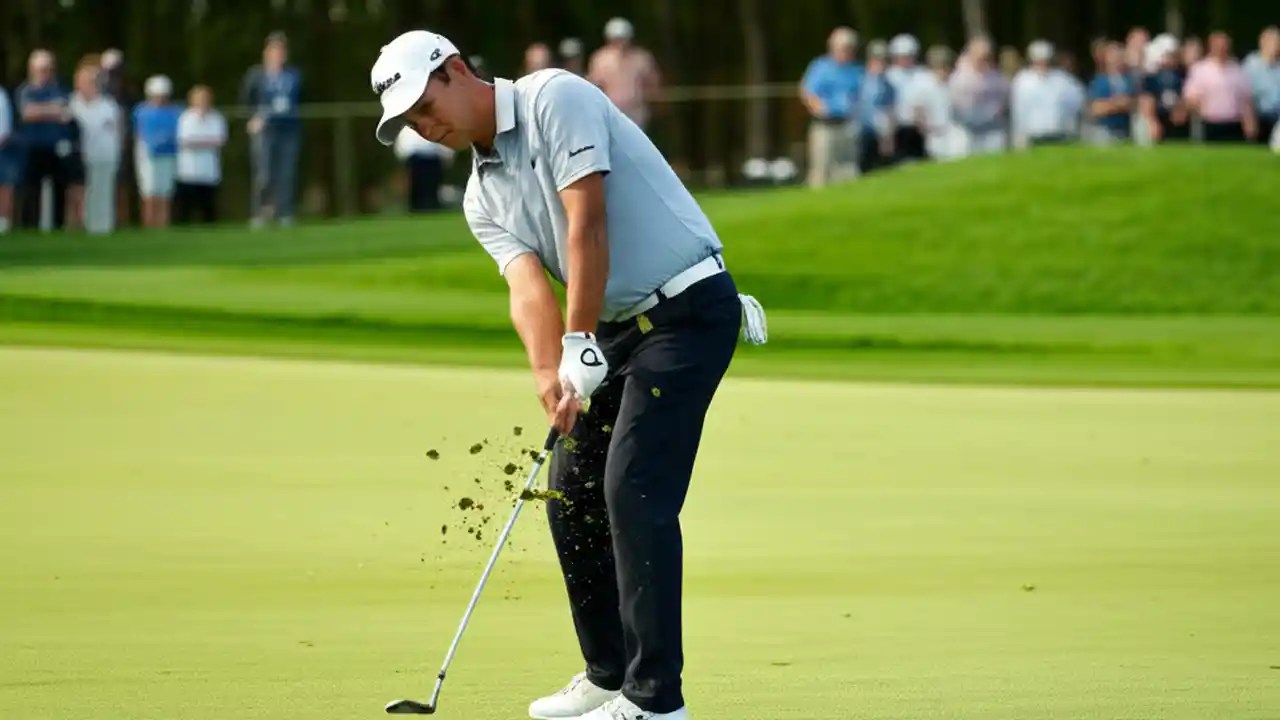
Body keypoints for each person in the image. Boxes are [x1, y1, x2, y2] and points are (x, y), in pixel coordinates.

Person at [369, 29, 767, 720]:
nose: (422, 126)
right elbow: (527, 290)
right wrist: (550, 372)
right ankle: (608, 674)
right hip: (613, 330)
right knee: (572, 490)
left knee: (632, 487)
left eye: (423, 106)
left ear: (457, 69)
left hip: (688, 311)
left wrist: (580, 337)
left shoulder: (556, 97)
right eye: (408, 122)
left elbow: (588, 221)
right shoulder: (479, 197)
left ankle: (655, 702)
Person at [242, 31, 303, 227]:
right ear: (266, 52)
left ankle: (284, 213)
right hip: (265, 130)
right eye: (275, 49)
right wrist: (253, 118)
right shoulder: (256, 75)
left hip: (288, 129)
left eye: (282, 50)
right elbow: (246, 101)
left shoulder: (293, 75)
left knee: (286, 172)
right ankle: (259, 213)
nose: (279, 53)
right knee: (264, 173)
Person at [16, 49, 73, 231]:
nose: (45, 73)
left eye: (48, 69)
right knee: (32, 190)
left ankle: (58, 226)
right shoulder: (26, 90)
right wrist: (53, 110)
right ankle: (29, 226)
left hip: (56, 147)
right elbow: (27, 113)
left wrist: (42, 111)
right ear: (32, 69)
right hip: (33, 147)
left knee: (59, 189)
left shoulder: (59, 89)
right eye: (41, 69)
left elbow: (65, 112)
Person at [800, 27, 864, 187]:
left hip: (847, 125)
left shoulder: (856, 70)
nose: (847, 52)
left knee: (848, 170)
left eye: (850, 48)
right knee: (821, 170)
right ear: (832, 48)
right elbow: (808, 92)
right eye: (843, 48)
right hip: (825, 126)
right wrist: (819, 108)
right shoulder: (821, 67)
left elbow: (860, 95)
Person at [69, 64, 123, 235]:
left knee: (103, 192)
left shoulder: (108, 105)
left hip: (104, 155)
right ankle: (83, 225)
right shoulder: (72, 103)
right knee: (83, 194)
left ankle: (102, 228)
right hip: (79, 156)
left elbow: (116, 132)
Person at [587, 17, 662, 130]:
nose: (620, 42)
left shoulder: (642, 58)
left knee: (636, 143)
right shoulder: (600, 59)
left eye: (623, 38)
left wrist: (649, 101)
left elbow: (653, 84)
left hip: (636, 111)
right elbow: (594, 85)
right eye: (616, 38)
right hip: (610, 111)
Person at [1184, 32, 1257, 143]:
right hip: (1209, 124)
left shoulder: (1237, 70)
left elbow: (1246, 99)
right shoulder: (1200, 69)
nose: (1221, 49)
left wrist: (1250, 122)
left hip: (1234, 123)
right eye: (1218, 45)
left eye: (1224, 45)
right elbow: (1190, 97)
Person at [132, 75, 182, 228]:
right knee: (149, 191)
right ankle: (149, 224)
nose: (160, 98)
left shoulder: (175, 112)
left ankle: (163, 224)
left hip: (170, 153)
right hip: (148, 154)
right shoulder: (141, 111)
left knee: (165, 191)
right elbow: (138, 133)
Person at [1010, 41, 1081, 148]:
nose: (1042, 63)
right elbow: (1018, 110)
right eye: (1038, 60)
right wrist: (1019, 135)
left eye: (1045, 60)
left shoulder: (1062, 79)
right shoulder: (1023, 80)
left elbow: (1076, 102)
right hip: (1034, 135)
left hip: (1059, 133)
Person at [175, 85, 228, 225]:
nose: (203, 102)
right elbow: (184, 141)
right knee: (185, 206)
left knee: (208, 205)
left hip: (209, 168)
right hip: (189, 169)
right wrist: (206, 142)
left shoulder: (217, 118)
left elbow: (220, 140)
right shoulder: (186, 118)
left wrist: (199, 142)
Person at [903, 45, 967, 161]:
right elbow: (917, 109)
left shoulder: (952, 81)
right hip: (933, 133)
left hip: (952, 129)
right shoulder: (922, 82)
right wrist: (923, 128)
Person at [949, 37, 1009, 154]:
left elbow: (1004, 97)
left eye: (986, 56)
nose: (983, 60)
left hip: (992, 127)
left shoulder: (995, 76)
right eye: (980, 56)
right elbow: (956, 104)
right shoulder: (960, 76)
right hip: (966, 128)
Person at [856, 40, 896, 173]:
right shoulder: (860, 79)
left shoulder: (889, 85)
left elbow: (890, 109)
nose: (881, 63)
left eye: (884, 60)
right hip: (862, 132)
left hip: (881, 134)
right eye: (878, 59)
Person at [1140, 39, 1190, 143]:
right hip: (1160, 116)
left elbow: (1186, 94)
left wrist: (1182, 109)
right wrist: (1152, 121)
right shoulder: (1152, 76)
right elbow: (1147, 99)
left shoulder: (1182, 74)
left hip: (1179, 118)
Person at [393, 126, 453, 212]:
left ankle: (430, 207)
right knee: (417, 188)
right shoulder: (408, 128)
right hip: (416, 159)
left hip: (433, 158)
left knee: (431, 188)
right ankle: (417, 209)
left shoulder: (434, 125)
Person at [886, 34, 926, 162]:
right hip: (897, 127)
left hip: (919, 126)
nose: (906, 60)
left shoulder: (922, 74)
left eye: (909, 56)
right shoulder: (889, 76)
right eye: (902, 56)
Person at [1088, 43, 1137, 144]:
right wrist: (1117, 104)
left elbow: (1136, 103)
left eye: (1120, 57)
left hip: (1125, 131)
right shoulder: (1100, 81)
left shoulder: (1129, 81)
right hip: (1105, 132)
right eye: (1114, 57)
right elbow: (1096, 109)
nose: (1118, 60)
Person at [1243, 26, 1280, 146]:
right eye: (1272, 41)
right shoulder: (1251, 64)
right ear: (1262, 42)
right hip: (1258, 116)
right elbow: (1246, 94)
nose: (1275, 45)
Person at [0, 84, 15, 234]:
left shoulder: (1, 95)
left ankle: (3, 221)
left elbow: (4, 126)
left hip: (2, 147)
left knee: (4, 185)